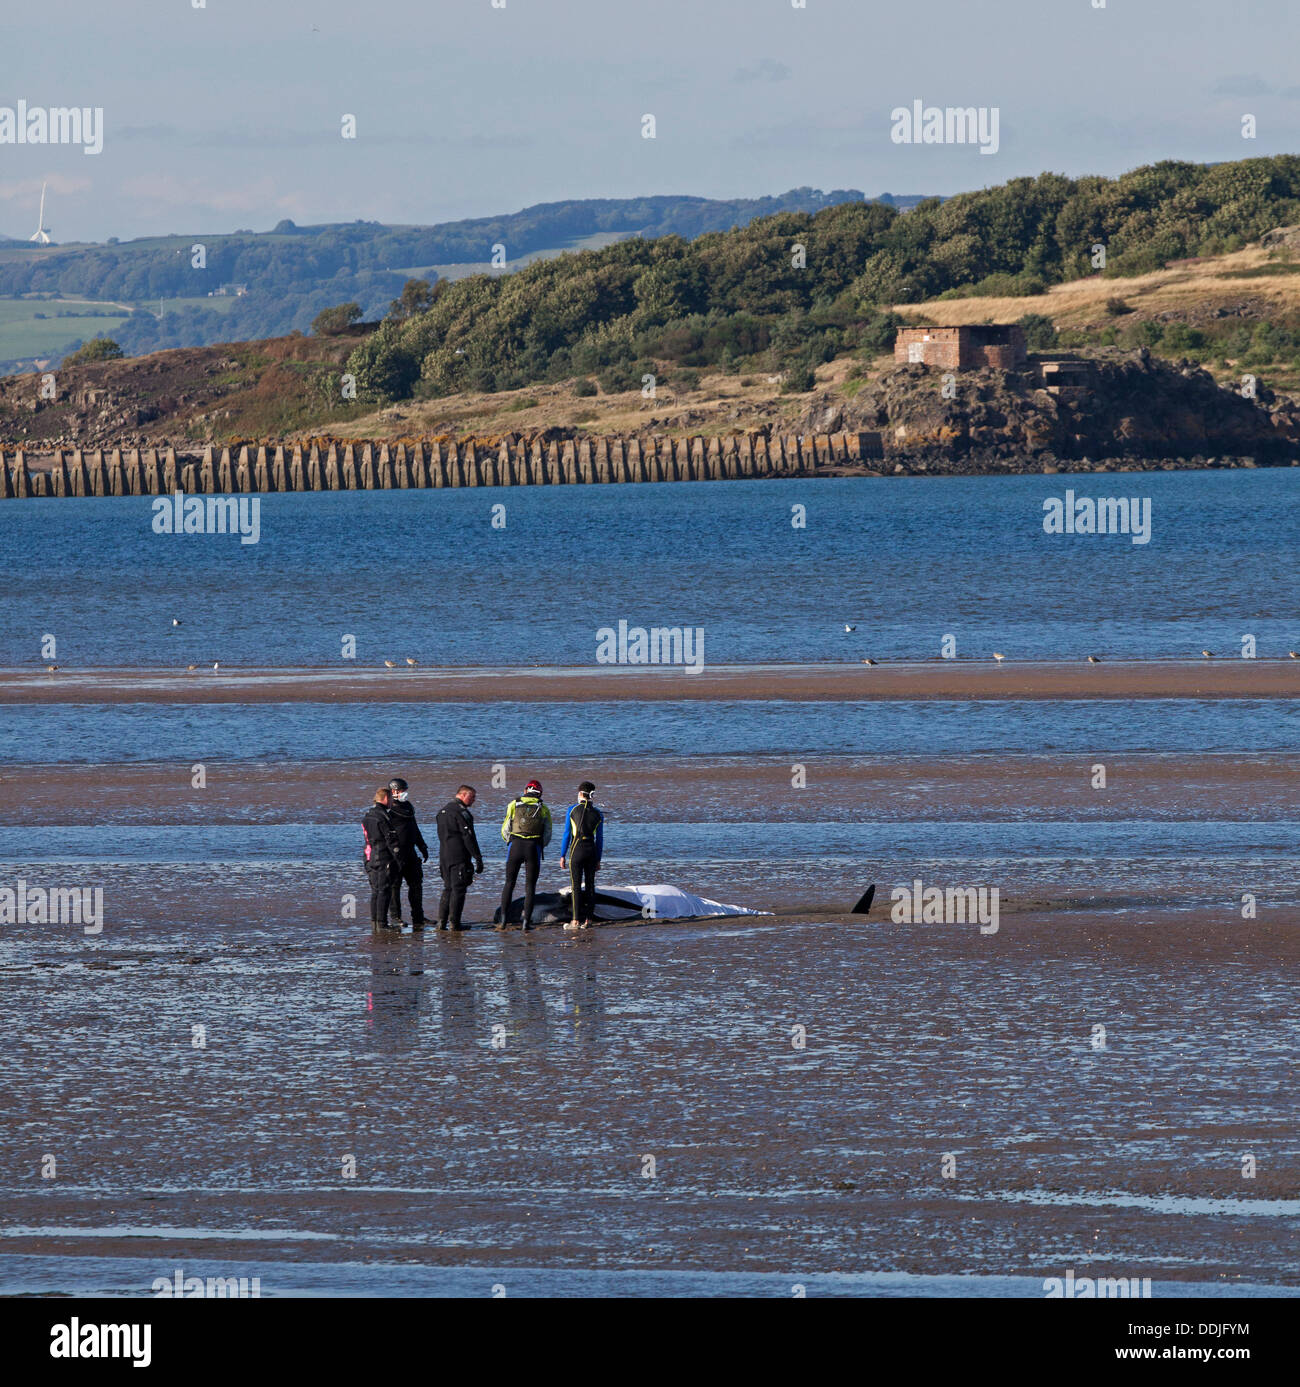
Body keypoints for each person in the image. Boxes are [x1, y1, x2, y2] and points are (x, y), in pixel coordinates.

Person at [499, 779, 552, 930]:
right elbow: (548, 833)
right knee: (530, 887)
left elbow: (505, 829)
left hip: (515, 846)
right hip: (532, 848)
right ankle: (526, 923)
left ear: (525, 790)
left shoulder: (513, 804)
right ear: (540, 793)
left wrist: (510, 842)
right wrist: (539, 845)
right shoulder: (544, 808)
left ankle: (503, 921)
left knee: (509, 883)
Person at [435, 784, 484, 930]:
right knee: (458, 890)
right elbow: (468, 837)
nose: (474, 800)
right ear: (463, 795)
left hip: (444, 855)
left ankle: (441, 922)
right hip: (459, 856)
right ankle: (454, 923)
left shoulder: (442, 811)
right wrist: (478, 857)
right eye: (472, 796)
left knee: (448, 888)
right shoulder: (462, 813)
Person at [386, 776, 430, 929]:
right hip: (395, 855)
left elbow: (414, 828)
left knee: (416, 885)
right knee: (394, 887)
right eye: (402, 790)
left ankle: (418, 917)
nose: (405, 793)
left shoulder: (408, 806)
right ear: (393, 791)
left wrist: (422, 846)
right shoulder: (389, 808)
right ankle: (395, 917)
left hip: (411, 853)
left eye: (405, 790)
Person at [560, 781, 604, 930]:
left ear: (580, 794)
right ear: (592, 795)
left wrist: (562, 855)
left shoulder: (572, 810)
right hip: (591, 850)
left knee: (576, 886)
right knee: (590, 885)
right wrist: (598, 859)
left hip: (576, 850)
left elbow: (567, 834)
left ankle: (575, 921)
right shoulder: (598, 813)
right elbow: (600, 839)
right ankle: (589, 920)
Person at [361, 786, 403, 931]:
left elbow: (367, 838)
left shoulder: (368, 815)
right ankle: (382, 923)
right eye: (391, 799)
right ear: (385, 798)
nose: (392, 802)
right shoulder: (383, 816)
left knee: (375, 891)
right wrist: (398, 860)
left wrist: (366, 860)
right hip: (383, 857)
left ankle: (375, 923)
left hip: (370, 855)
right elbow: (391, 840)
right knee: (384, 891)